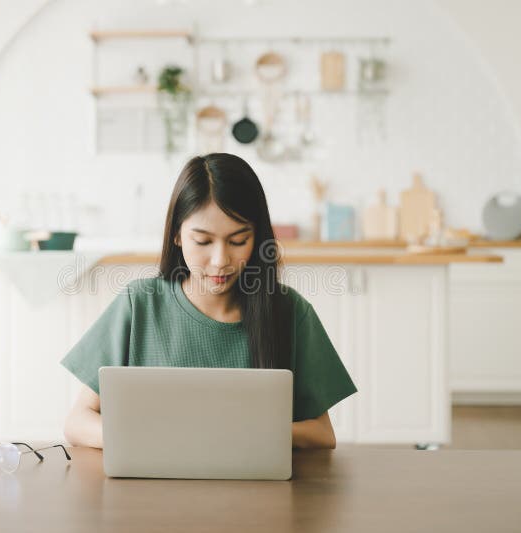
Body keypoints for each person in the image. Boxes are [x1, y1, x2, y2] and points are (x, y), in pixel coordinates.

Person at [61, 153, 356, 449]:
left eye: (238, 241)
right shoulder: (139, 305)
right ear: (177, 234)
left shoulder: (290, 312)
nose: (220, 261)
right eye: (202, 241)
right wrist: (149, 440)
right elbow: (77, 422)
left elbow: (322, 434)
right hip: (152, 489)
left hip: (257, 491)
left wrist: (245, 434)